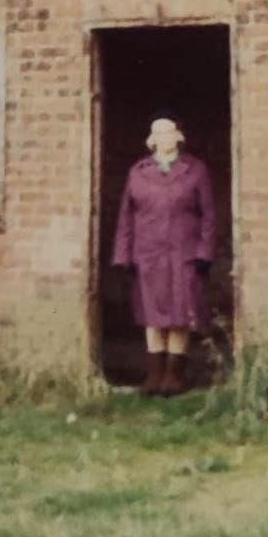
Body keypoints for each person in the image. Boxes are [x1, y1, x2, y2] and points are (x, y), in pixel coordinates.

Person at [112, 112, 215, 397]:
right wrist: (123, 255)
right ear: (151, 140)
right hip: (148, 253)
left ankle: (174, 376)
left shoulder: (195, 170)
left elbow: (208, 215)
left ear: (178, 138)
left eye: (170, 132)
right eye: (159, 133)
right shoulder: (138, 171)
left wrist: (205, 251)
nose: (165, 138)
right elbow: (126, 217)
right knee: (152, 314)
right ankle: (154, 375)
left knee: (181, 313)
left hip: (185, 253)